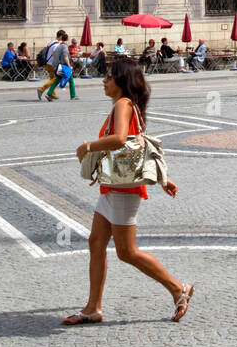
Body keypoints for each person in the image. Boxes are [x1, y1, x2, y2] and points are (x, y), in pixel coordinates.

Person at [63, 57, 193, 325]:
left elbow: (121, 140)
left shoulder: (123, 104)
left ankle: (177, 288)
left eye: (109, 76)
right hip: (113, 187)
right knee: (96, 242)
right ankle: (93, 308)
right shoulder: (126, 105)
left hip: (123, 190)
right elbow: (140, 147)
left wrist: (87, 146)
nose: (104, 80)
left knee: (127, 252)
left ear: (121, 81)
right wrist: (163, 179)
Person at [42, 32, 77, 101]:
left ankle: (49, 94)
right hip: (63, 66)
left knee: (57, 80)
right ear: (67, 39)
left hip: (57, 66)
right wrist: (69, 66)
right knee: (71, 79)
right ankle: (73, 96)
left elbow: (54, 54)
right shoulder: (64, 46)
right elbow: (65, 57)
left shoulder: (59, 46)